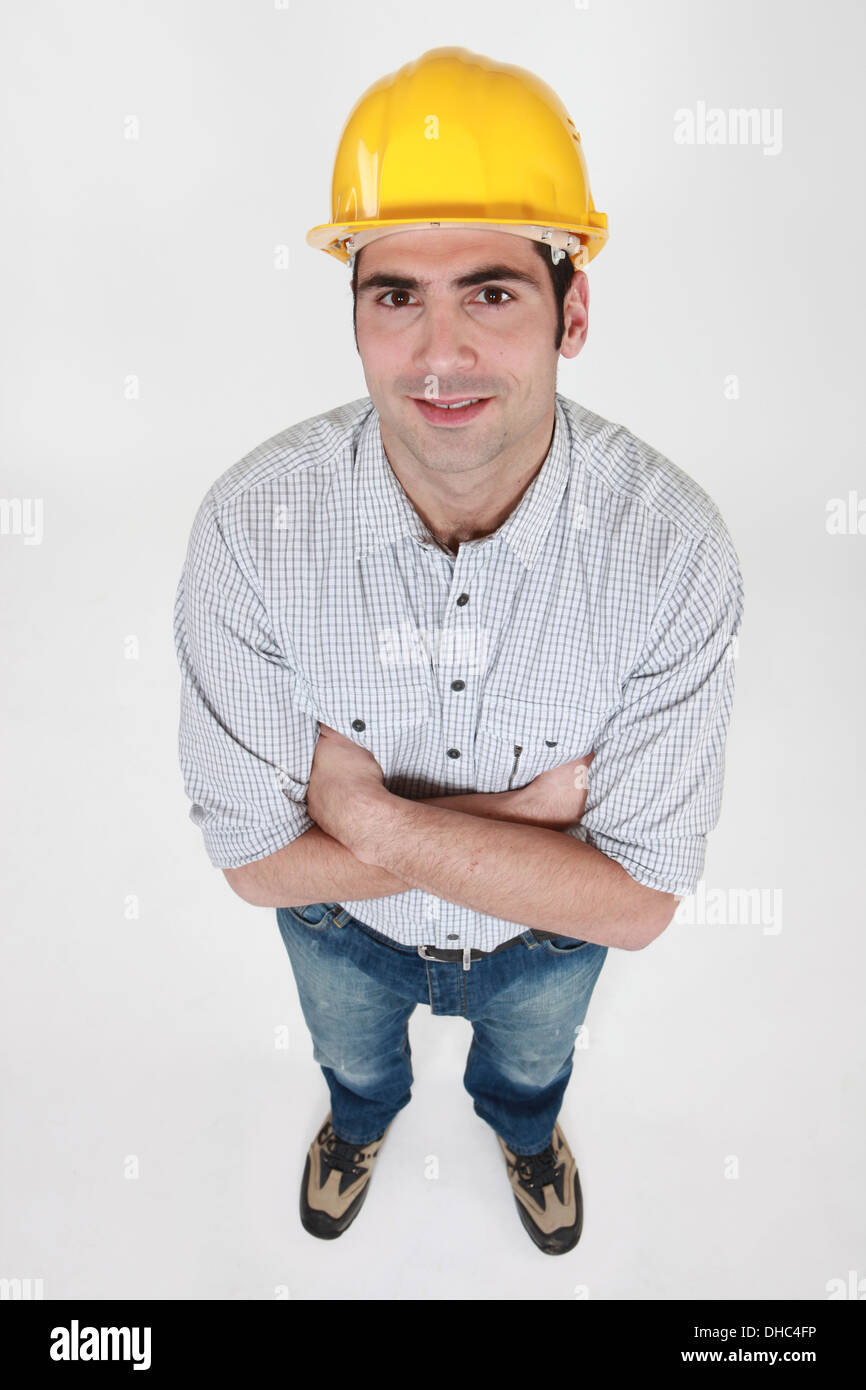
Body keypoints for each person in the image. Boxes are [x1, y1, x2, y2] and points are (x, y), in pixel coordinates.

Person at [173, 47, 744, 1256]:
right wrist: (529, 829)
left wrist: (367, 821)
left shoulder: (670, 549)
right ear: (355, 316)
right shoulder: (250, 526)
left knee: (530, 1072)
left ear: (570, 311)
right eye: (396, 297)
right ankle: (359, 1120)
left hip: (544, 955)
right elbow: (254, 870)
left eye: (489, 293)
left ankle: (523, 1131)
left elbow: (634, 906)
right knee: (352, 1062)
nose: (439, 354)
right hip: (338, 938)